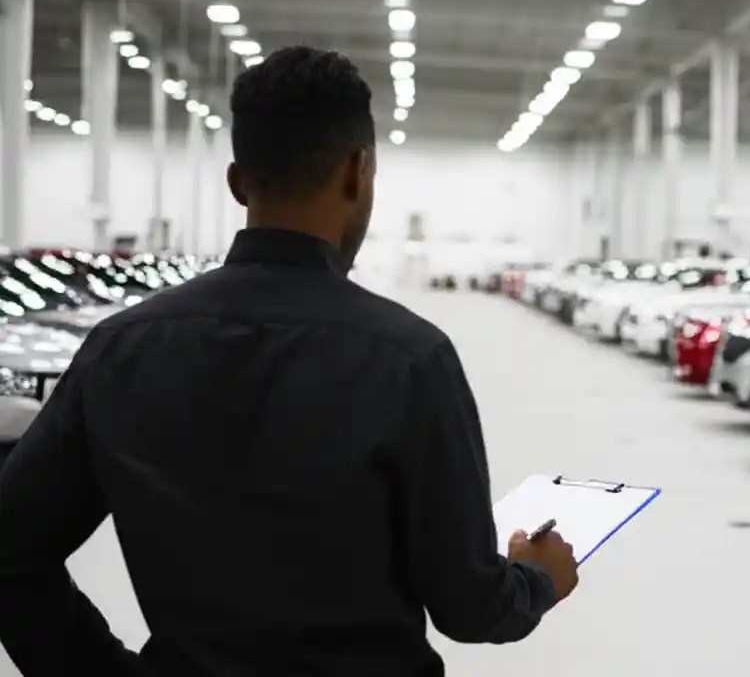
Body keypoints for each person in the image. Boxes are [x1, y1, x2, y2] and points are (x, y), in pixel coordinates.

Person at [0, 46, 578, 676]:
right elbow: (470, 607)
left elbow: (10, 552)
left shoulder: (122, 348)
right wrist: (533, 577)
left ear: (238, 181)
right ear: (359, 172)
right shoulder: (410, 359)